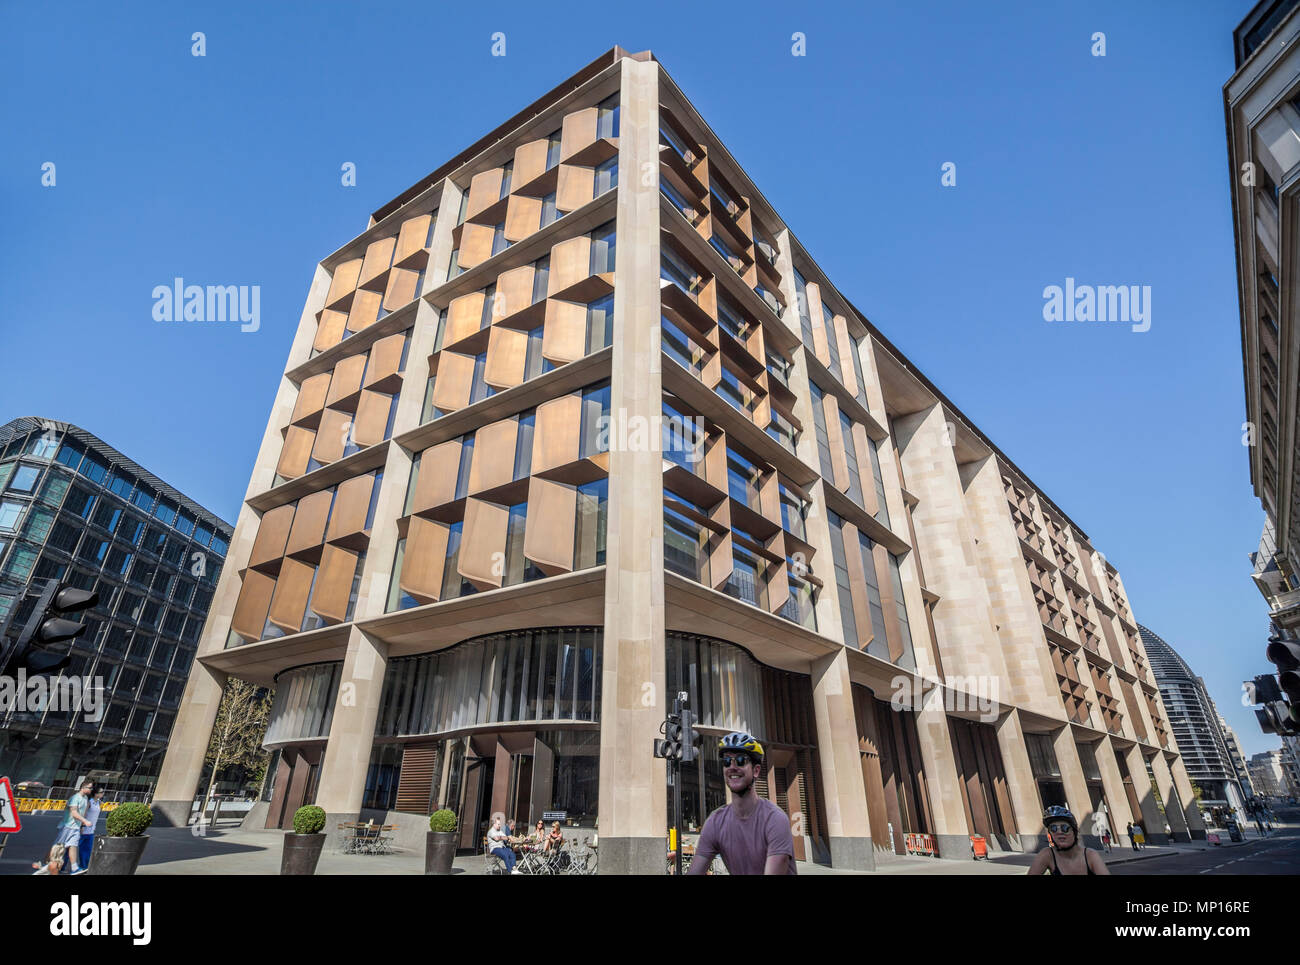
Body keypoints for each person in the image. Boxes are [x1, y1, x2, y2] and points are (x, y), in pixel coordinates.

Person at [688, 732, 796, 875]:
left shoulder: (775, 819)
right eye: (727, 761)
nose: (732, 767)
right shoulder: (715, 822)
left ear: (756, 771)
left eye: (740, 760)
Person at [1028, 806, 1109, 875]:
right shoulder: (1047, 855)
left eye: (1064, 828)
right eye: (1053, 828)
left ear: (1074, 831)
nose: (1059, 832)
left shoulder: (1090, 855)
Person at [36, 779, 93, 875]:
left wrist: (82, 825)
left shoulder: (85, 799)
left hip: (75, 827)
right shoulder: (75, 798)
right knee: (57, 847)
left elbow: (83, 813)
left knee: (73, 846)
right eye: (90, 787)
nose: (91, 789)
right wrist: (85, 821)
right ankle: (44, 863)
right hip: (67, 826)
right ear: (83, 787)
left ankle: (74, 868)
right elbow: (74, 812)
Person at [78, 784, 105, 870]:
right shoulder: (89, 802)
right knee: (80, 848)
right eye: (101, 792)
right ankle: (81, 865)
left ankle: (85, 866)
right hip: (84, 828)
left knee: (88, 849)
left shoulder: (98, 802)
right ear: (95, 793)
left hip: (91, 830)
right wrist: (82, 825)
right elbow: (84, 814)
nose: (103, 794)